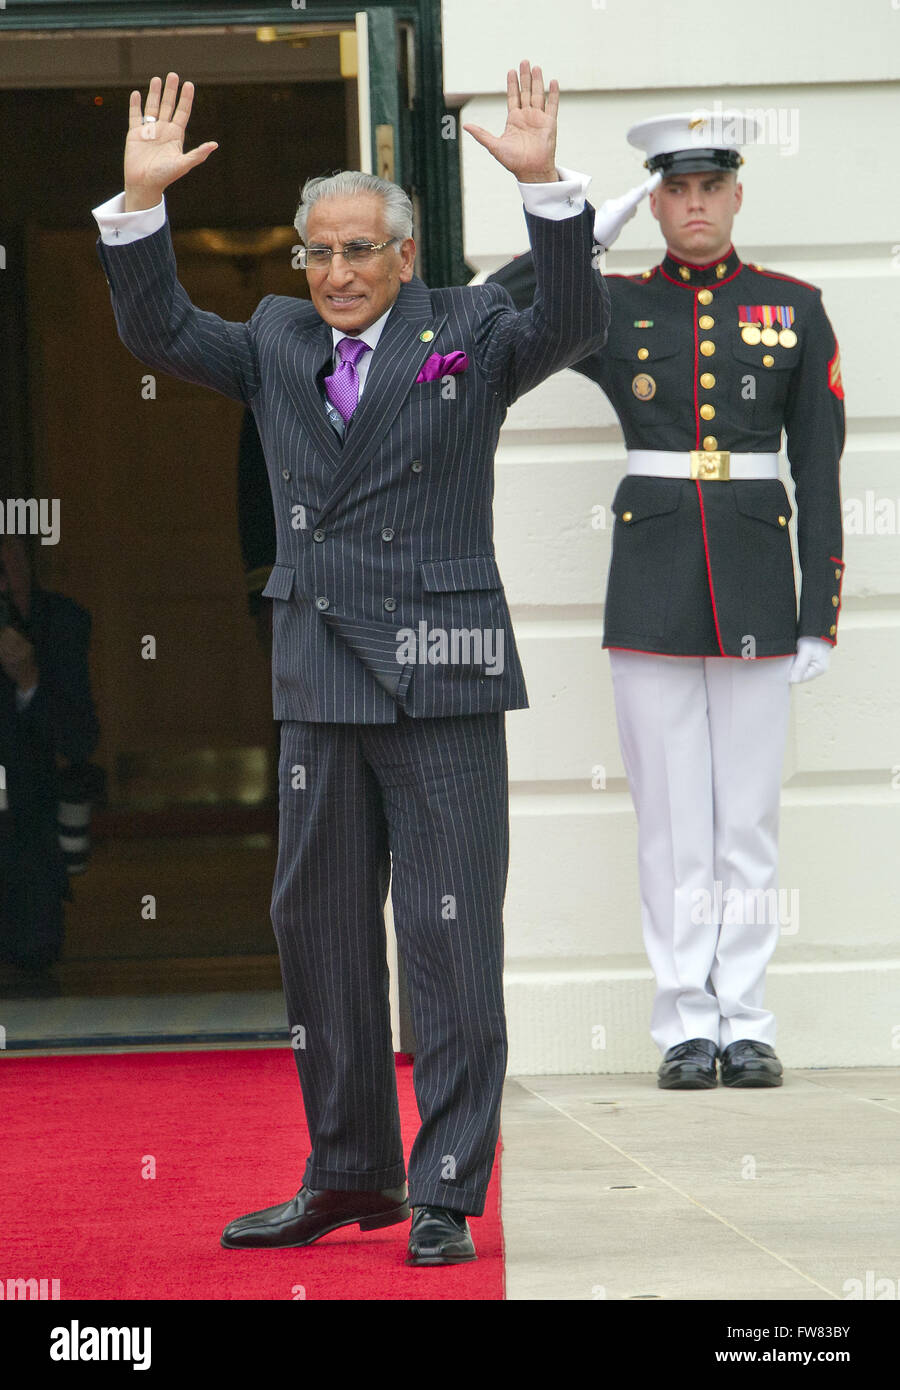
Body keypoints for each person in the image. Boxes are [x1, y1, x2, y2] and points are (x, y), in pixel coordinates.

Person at [92, 64, 609, 1263]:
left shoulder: (472, 329)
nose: (334, 273)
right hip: (320, 669)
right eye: (316, 251)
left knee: (449, 941)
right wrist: (139, 204)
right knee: (318, 936)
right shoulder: (275, 338)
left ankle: (443, 1187)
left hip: (444, 674)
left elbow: (573, 322)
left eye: (359, 250)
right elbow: (159, 328)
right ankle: (348, 1173)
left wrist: (545, 190)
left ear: (406, 253)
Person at [488, 110, 845, 1091]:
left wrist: (820, 611)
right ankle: (685, 1018)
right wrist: (575, 231)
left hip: (759, 580)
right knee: (671, 816)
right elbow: (492, 315)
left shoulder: (795, 307)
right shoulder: (610, 304)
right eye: (673, 191)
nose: (693, 206)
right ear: (657, 201)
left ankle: (748, 1017)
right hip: (650, 577)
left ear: (735, 194)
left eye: (708, 188)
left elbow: (817, 465)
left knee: (747, 819)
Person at [0, 535, 100, 992]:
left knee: (32, 948)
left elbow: (79, 741)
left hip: (27, 822)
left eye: (12, 558)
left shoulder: (60, 623)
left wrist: (29, 680)